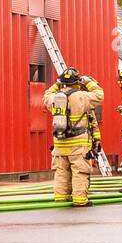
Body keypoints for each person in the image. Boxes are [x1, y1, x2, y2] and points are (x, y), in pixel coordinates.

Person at [43, 68, 104, 207]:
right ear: (77, 82)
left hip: (59, 142)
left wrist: (57, 84)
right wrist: (88, 82)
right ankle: (80, 200)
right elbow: (99, 94)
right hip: (78, 143)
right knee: (79, 172)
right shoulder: (82, 96)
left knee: (61, 172)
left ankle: (60, 199)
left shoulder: (54, 97)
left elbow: (46, 94)